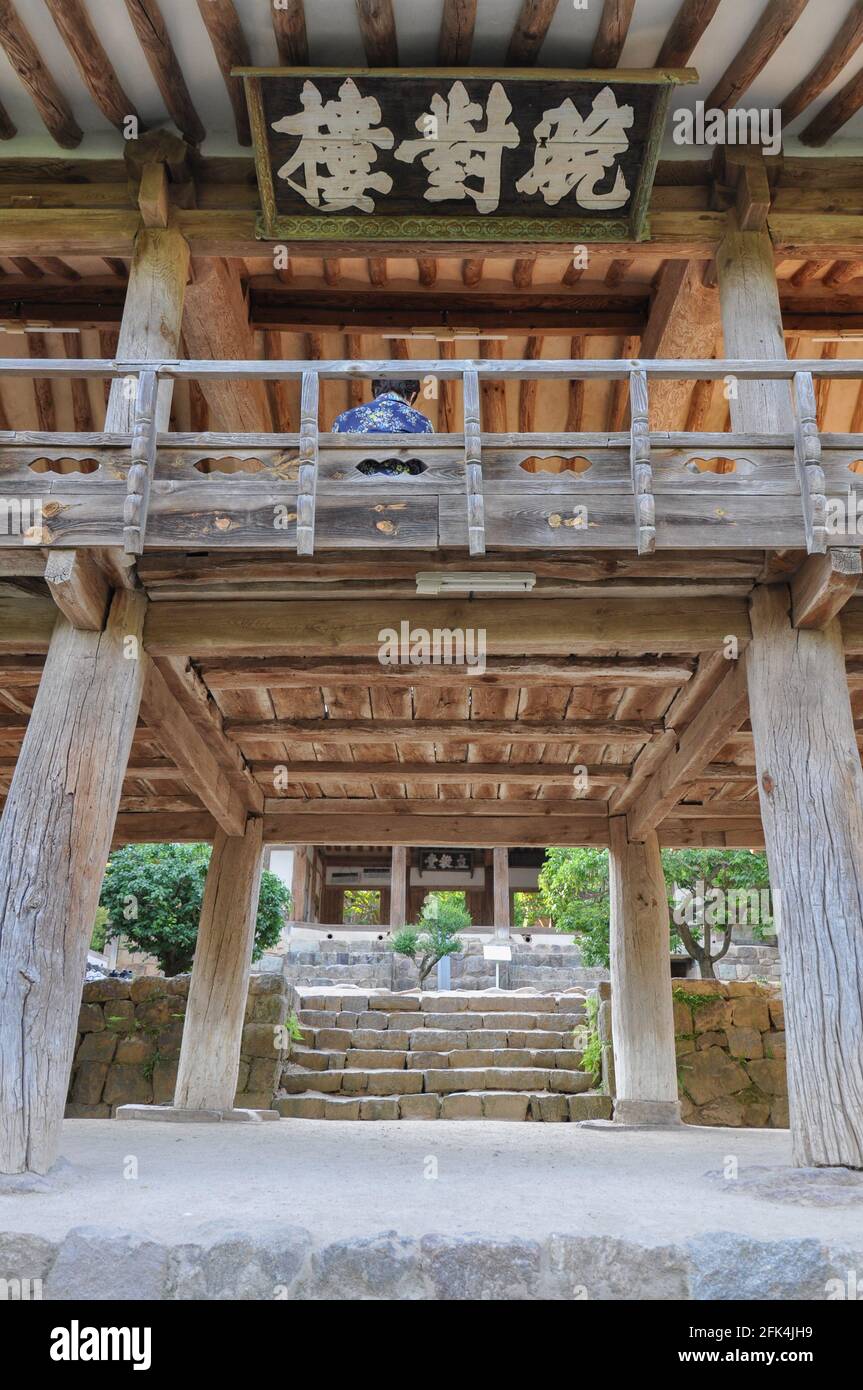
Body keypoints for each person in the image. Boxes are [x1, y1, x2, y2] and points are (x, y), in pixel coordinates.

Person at [332, 378, 433, 435]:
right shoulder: (422, 423)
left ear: (375, 391)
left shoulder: (344, 419)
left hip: (355, 473)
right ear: (413, 395)